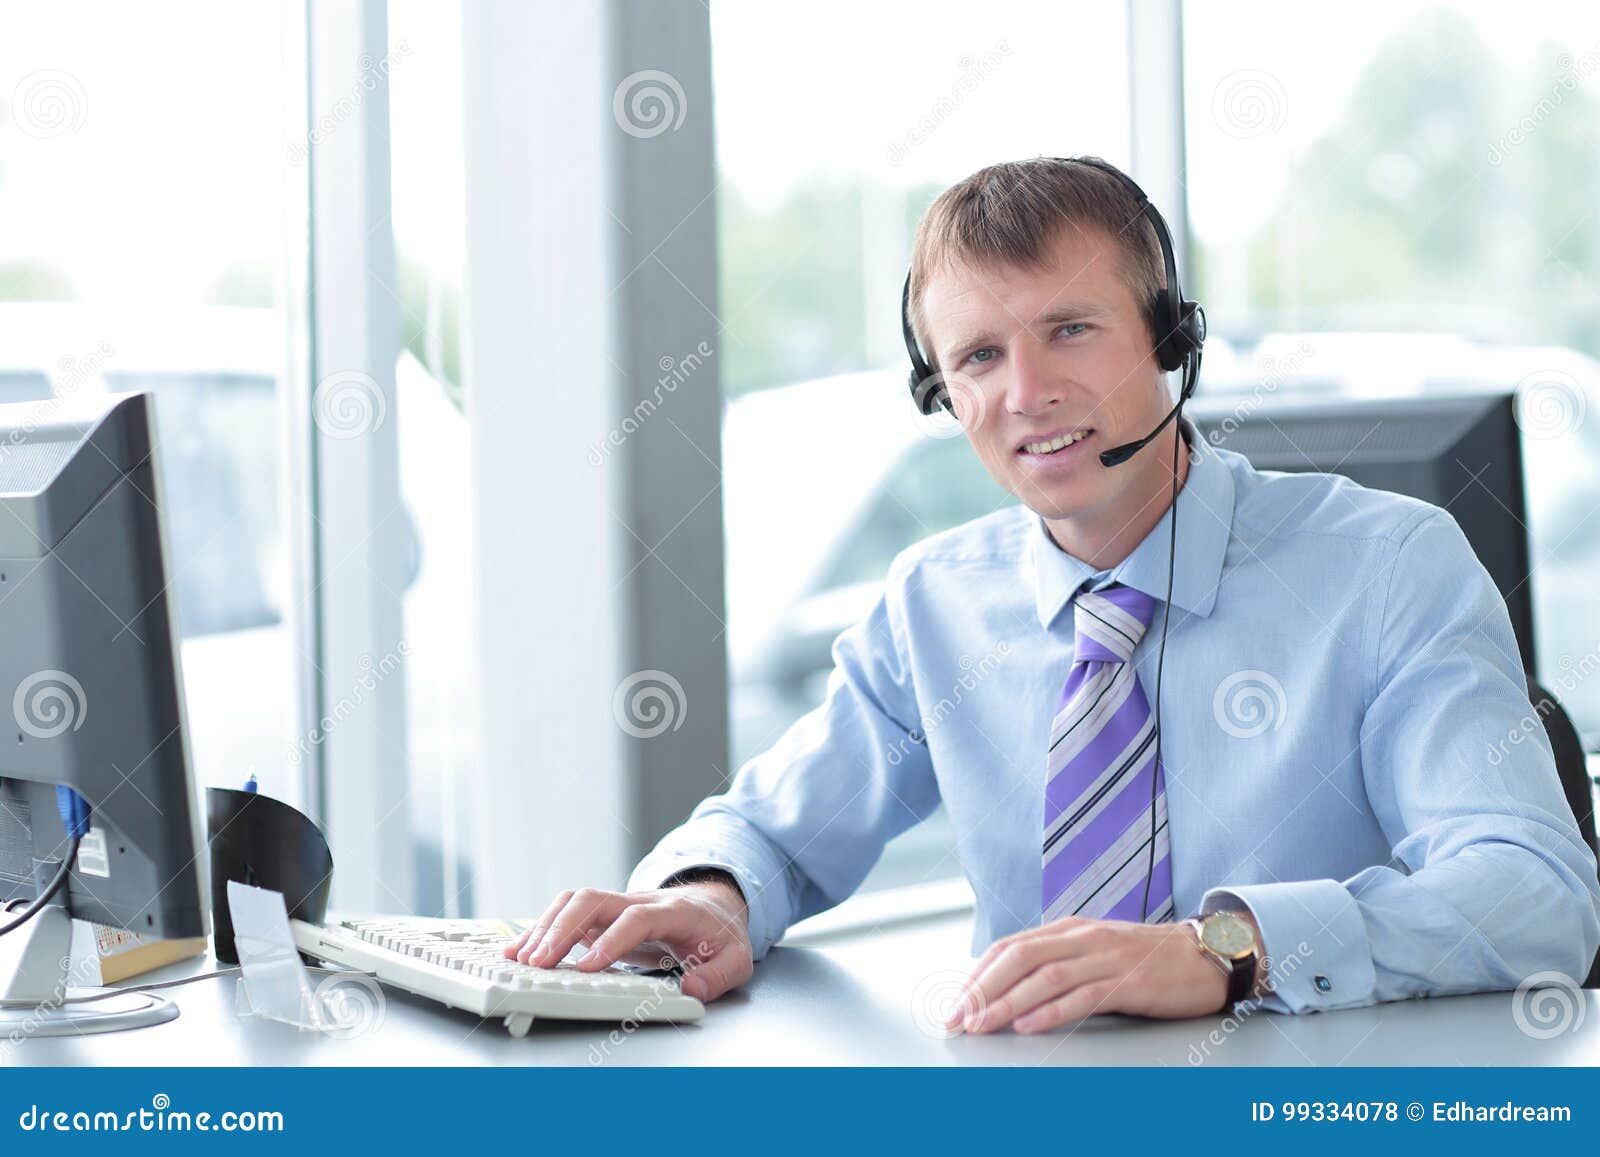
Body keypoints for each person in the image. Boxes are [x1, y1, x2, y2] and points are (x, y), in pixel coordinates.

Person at [507, 156, 1600, 1033]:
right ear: (943, 392)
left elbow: (1535, 893)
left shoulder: (1386, 566)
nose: (1027, 393)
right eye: (979, 355)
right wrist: (708, 897)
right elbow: (780, 831)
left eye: (1070, 329)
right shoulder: (936, 604)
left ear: (1171, 338)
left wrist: (1224, 950)